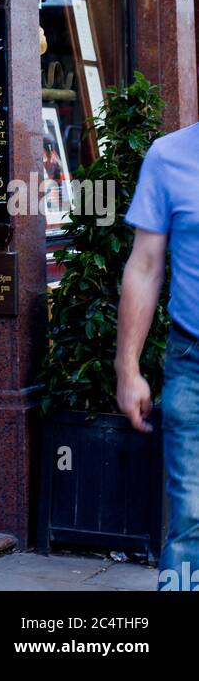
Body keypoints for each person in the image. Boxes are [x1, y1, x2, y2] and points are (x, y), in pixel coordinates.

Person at [115, 122, 199, 590]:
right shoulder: (168, 157)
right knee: (189, 518)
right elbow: (145, 266)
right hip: (192, 362)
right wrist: (128, 368)